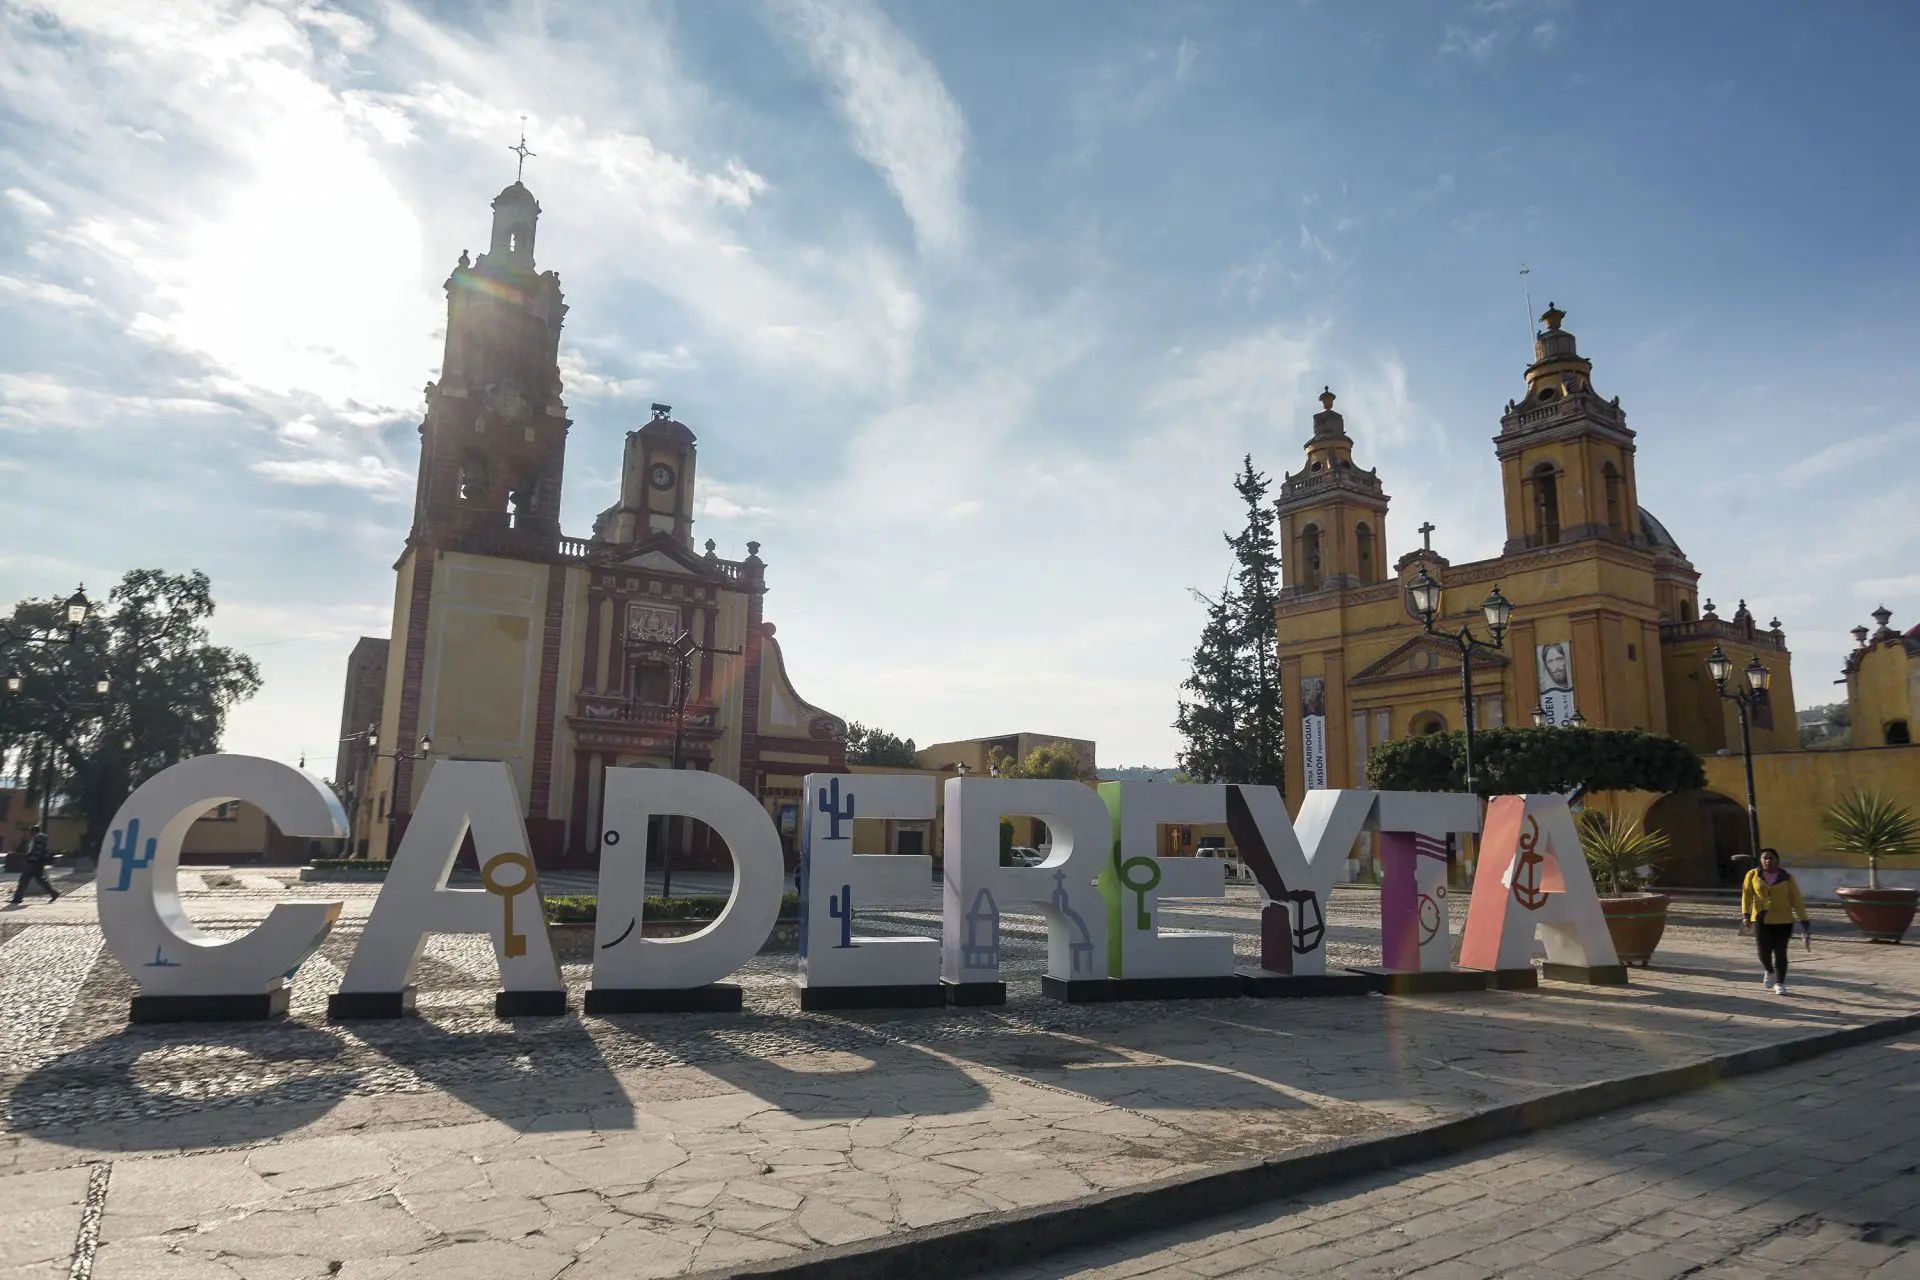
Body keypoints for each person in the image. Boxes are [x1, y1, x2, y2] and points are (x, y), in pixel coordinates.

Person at [1740, 847, 1808, 995]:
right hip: (1760, 919)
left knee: (1780, 952)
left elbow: (1796, 899)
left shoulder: (1787, 877)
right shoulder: (1753, 875)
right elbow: (1746, 895)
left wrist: (1804, 920)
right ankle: (1769, 970)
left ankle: (1780, 983)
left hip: (1783, 920)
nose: (1768, 861)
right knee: (1763, 951)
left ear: (1777, 860)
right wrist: (1745, 914)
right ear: (1761, 861)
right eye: (1765, 858)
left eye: (1771, 858)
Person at [8, 825, 59, 906]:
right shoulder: (38, 839)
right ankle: (53, 893)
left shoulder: (38, 840)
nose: (29, 833)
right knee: (40, 880)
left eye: (31, 831)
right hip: (37, 864)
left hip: (34, 863)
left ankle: (17, 898)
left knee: (23, 880)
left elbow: (36, 852)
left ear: (34, 832)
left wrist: (30, 862)